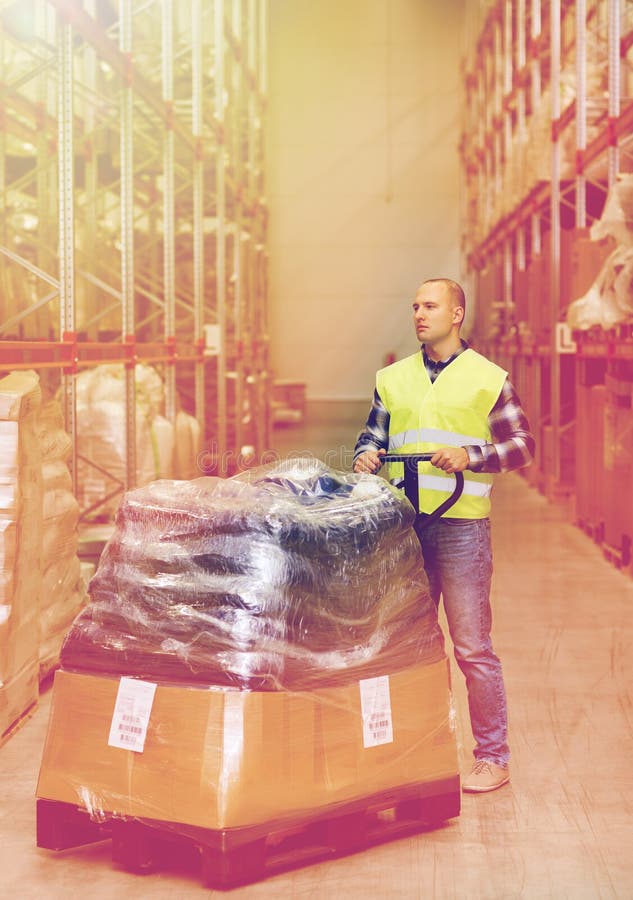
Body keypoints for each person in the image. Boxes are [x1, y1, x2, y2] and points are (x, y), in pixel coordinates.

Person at [353, 277, 535, 793]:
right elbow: (372, 434)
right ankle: (418, 757)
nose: (419, 313)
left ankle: (493, 758)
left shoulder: (487, 378)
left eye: (430, 306)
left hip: (461, 529)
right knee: (408, 647)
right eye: (415, 306)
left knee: (472, 648)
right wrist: (365, 454)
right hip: (405, 528)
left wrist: (470, 455)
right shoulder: (392, 378)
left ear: (457, 314)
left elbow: (523, 445)